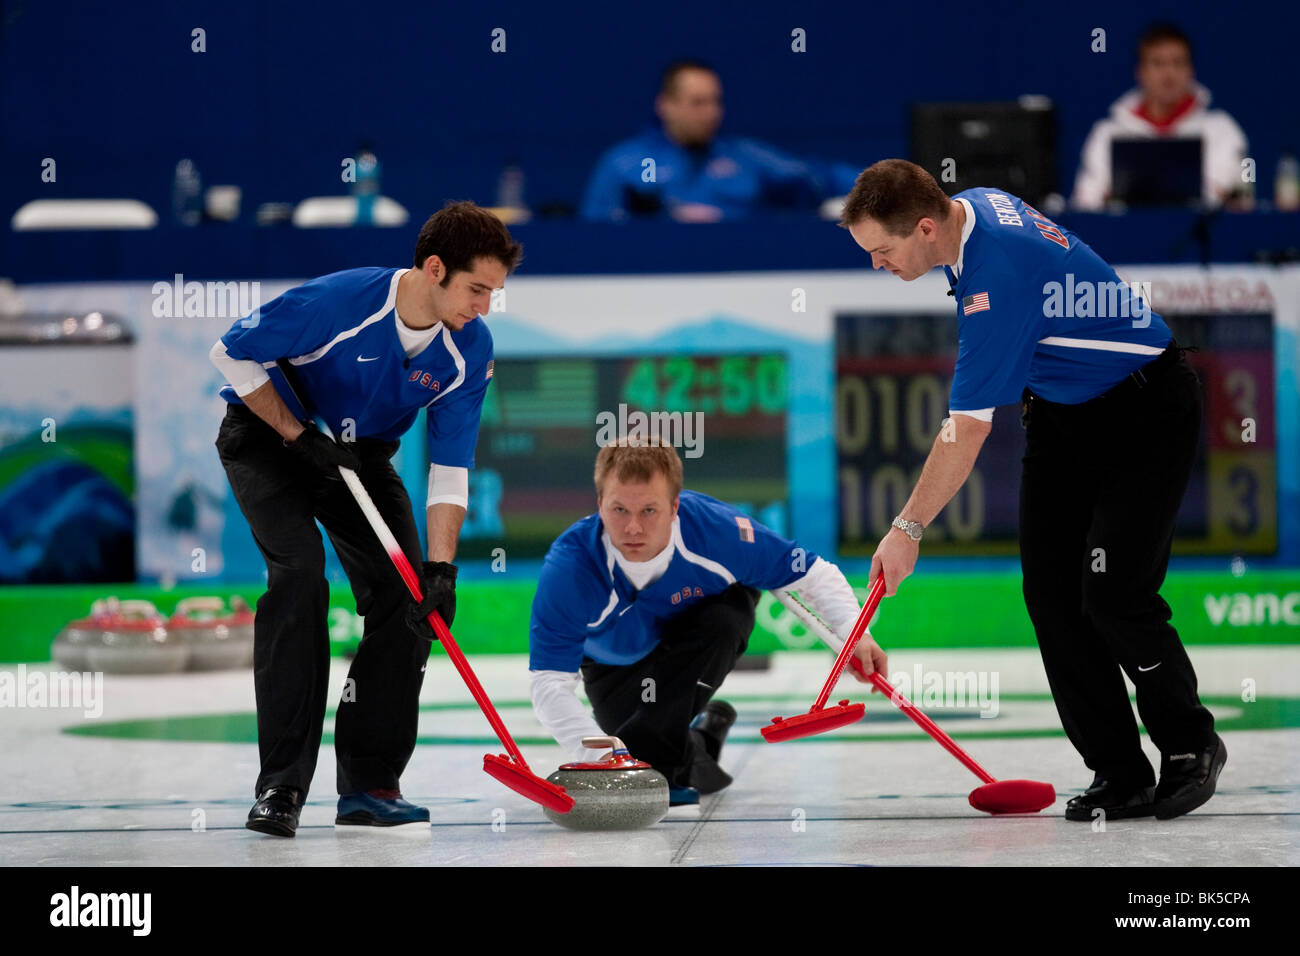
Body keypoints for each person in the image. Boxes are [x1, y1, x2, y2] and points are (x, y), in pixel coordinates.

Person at [840, 158, 1226, 821]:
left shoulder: (999, 279)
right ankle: (1119, 771)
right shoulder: (976, 204)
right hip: (1061, 414)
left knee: (1114, 593)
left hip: (1144, 411)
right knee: (1051, 595)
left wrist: (907, 529)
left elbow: (964, 432)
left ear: (926, 228)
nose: (876, 264)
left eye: (881, 251)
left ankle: (1191, 744)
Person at [208, 200, 522, 836]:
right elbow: (230, 353)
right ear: (434, 268)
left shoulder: (470, 349)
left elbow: (450, 471)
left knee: (410, 603)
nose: (484, 306)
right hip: (270, 439)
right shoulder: (340, 301)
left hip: (360, 457)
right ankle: (280, 788)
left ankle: (370, 783)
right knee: (299, 578)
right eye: (476, 289)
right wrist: (299, 437)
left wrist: (439, 568)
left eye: (494, 292)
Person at [528, 440, 886, 805]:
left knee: (727, 616)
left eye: (649, 510)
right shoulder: (569, 568)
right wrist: (602, 758)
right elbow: (548, 685)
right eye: (619, 509)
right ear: (599, 505)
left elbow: (812, 573)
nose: (633, 527)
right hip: (612, 665)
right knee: (647, 749)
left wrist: (856, 635)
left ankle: (664, 751)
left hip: (694, 641)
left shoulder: (720, 531)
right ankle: (703, 737)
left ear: (674, 508)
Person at [580, 60, 861, 222]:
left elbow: (817, 178)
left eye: (715, 102)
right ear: (665, 105)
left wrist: (885, 185)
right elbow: (595, 233)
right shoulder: (624, 163)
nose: (711, 113)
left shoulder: (745, 157)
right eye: (698, 103)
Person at [1072, 23, 1248, 210]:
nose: (1168, 73)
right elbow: (1087, 202)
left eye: (1177, 63)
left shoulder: (1222, 130)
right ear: (1140, 72)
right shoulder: (1106, 134)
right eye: (1158, 63)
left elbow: (1236, 199)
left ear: (1191, 70)